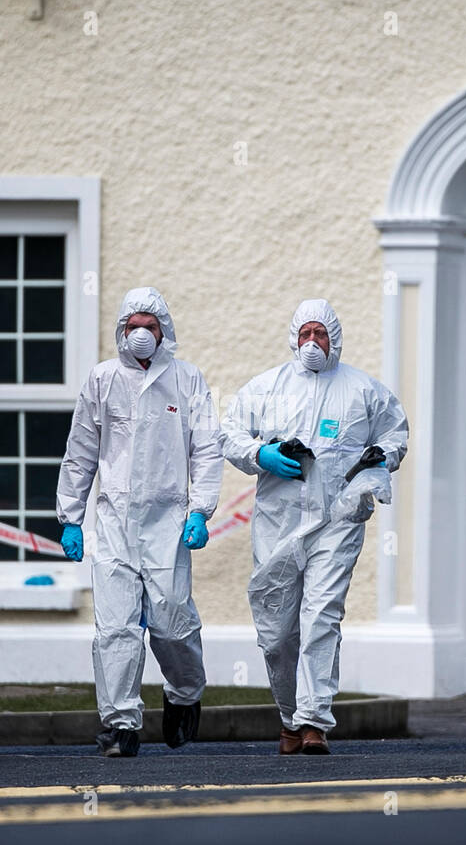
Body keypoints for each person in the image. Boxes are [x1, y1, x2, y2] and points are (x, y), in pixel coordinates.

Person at [219, 298, 408, 755]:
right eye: (304, 334)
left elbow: (395, 433)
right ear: (293, 338)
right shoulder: (267, 388)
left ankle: (314, 723)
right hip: (279, 521)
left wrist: (381, 456)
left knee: (322, 614)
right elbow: (228, 432)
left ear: (334, 338)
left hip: (337, 519)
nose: (311, 343)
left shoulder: (365, 392)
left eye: (319, 334)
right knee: (277, 630)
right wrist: (260, 454)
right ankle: (289, 718)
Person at [56, 287, 222, 757]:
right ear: (122, 331)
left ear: (164, 331)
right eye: (135, 327)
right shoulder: (103, 379)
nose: (143, 335)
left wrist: (200, 510)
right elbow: (81, 449)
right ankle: (120, 724)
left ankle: (185, 693)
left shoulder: (187, 380)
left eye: (151, 327)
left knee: (172, 623)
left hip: (169, 519)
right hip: (113, 519)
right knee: (115, 627)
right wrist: (70, 516)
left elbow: (206, 449)